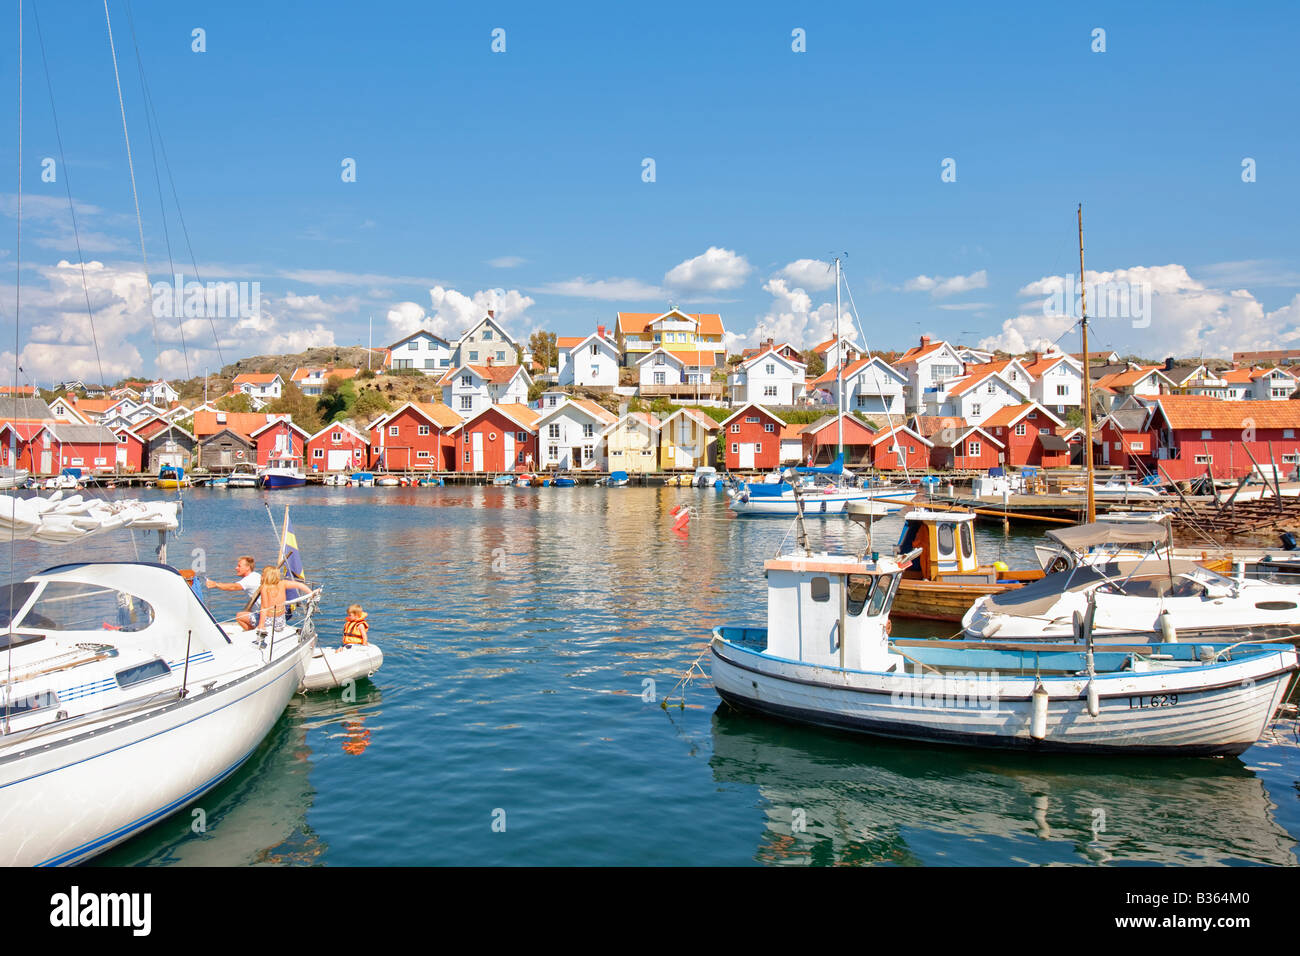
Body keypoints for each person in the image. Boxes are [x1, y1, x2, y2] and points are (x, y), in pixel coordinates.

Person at [255, 565, 313, 635]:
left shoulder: (265, 588)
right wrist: (311, 593)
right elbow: (299, 585)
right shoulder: (283, 583)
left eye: (262, 575)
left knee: (244, 616)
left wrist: (261, 625)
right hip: (281, 621)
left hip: (269, 622)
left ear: (267, 576)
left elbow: (264, 607)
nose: (261, 577)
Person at [209, 556, 261, 630]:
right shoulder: (256, 575)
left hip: (263, 616)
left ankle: (252, 633)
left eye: (239, 566)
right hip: (265, 613)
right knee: (246, 613)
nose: (236, 568)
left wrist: (216, 585)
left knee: (239, 616)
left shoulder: (249, 579)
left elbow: (233, 587)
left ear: (247, 567)